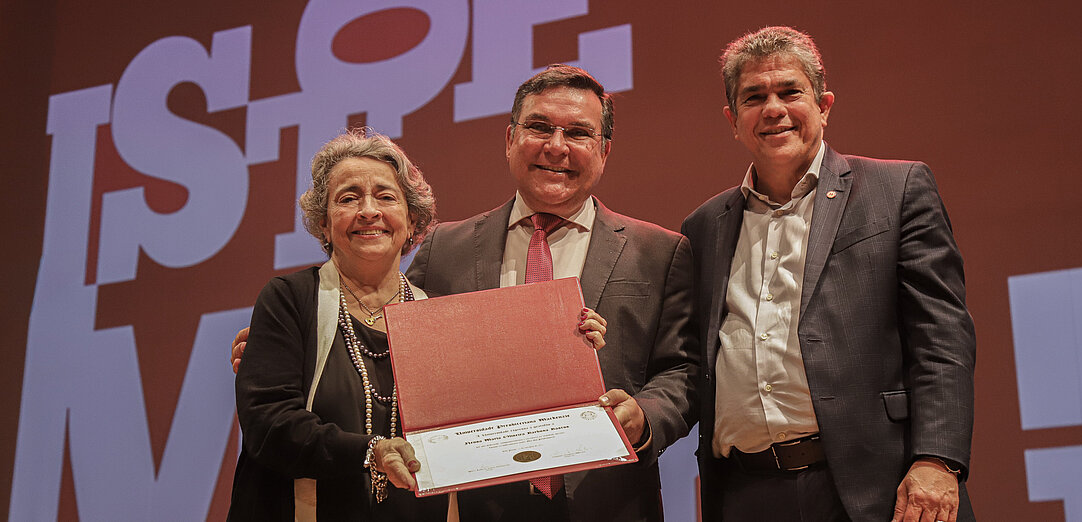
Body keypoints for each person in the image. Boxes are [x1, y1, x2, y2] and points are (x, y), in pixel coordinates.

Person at [233, 66, 697, 521]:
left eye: (577, 132)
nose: (556, 146)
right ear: (510, 138)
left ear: (604, 149)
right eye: (538, 127)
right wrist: (277, 352)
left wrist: (644, 416)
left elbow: (683, 371)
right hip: (483, 505)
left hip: (610, 502)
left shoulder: (658, 251)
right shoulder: (445, 249)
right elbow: (405, 346)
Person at [227, 129, 608, 521]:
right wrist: (369, 452)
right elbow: (268, 424)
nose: (369, 211)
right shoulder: (290, 299)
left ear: (412, 223)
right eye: (348, 198)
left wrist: (568, 343)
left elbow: (489, 417)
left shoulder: (435, 318)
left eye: (386, 197)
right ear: (324, 225)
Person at [681, 27, 976, 522]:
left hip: (879, 487)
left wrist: (938, 459)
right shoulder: (704, 226)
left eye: (789, 92)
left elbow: (942, 337)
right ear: (733, 121)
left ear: (824, 105)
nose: (772, 108)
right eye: (754, 97)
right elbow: (694, 361)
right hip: (746, 495)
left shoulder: (896, 189)